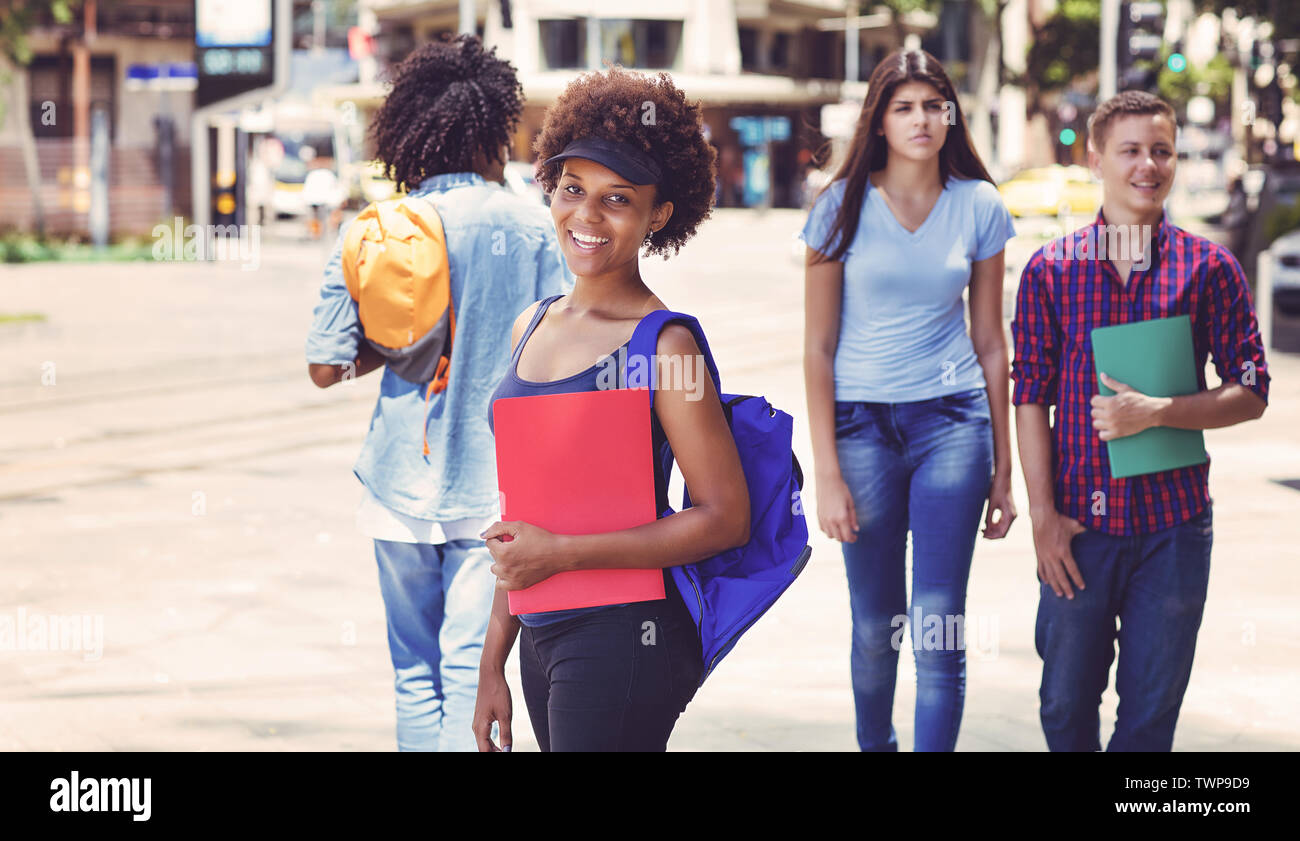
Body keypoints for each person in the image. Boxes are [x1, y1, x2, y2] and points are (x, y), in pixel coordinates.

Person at [304, 35, 571, 752]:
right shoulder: (533, 226)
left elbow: (324, 367)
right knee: (468, 671)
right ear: (493, 128)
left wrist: (400, 348)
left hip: (396, 485)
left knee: (412, 676)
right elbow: (561, 350)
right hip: (496, 487)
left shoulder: (376, 230)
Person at [471, 67, 747, 753]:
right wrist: (491, 659)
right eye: (572, 189)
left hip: (624, 633)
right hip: (539, 630)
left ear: (659, 214)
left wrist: (560, 553)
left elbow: (725, 515)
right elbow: (522, 513)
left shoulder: (666, 344)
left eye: (617, 199)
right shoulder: (529, 325)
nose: (586, 217)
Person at [1011, 90, 1270, 752]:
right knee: (1064, 707)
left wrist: (1159, 413)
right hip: (1079, 528)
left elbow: (1252, 389)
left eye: (1162, 150)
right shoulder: (1052, 271)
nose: (1148, 165)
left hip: (1174, 530)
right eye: (1131, 150)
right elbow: (1029, 395)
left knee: (1149, 722)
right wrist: (1042, 518)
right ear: (1096, 157)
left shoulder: (1209, 269)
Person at [801, 49, 1018, 752]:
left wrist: (1005, 470)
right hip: (860, 430)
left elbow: (991, 342)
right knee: (874, 625)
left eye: (933, 105)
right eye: (904, 106)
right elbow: (817, 349)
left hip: (954, 424)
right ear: (880, 119)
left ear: (950, 116)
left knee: (937, 623)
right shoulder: (839, 208)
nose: (921, 119)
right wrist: (826, 471)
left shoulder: (979, 206)